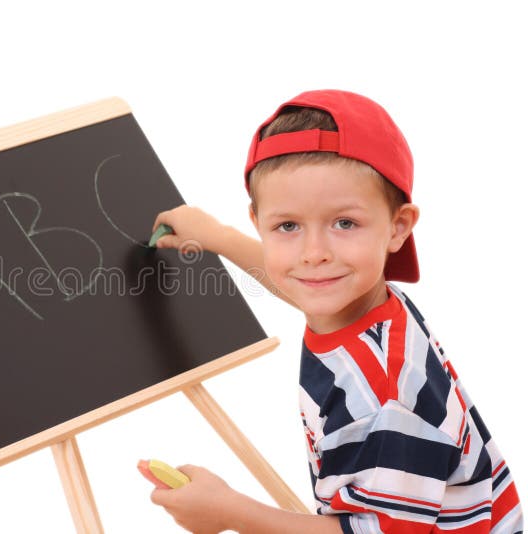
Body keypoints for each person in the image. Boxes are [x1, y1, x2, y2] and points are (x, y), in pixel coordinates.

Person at [149, 90, 523, 533]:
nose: (313, 254)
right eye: (287, 226)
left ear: (397, 227)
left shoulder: (385, 393)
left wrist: (230, 512)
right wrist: (218, 236)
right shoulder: (365, 300)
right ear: (259, 222)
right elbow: (302, 284)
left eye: (344, 223)